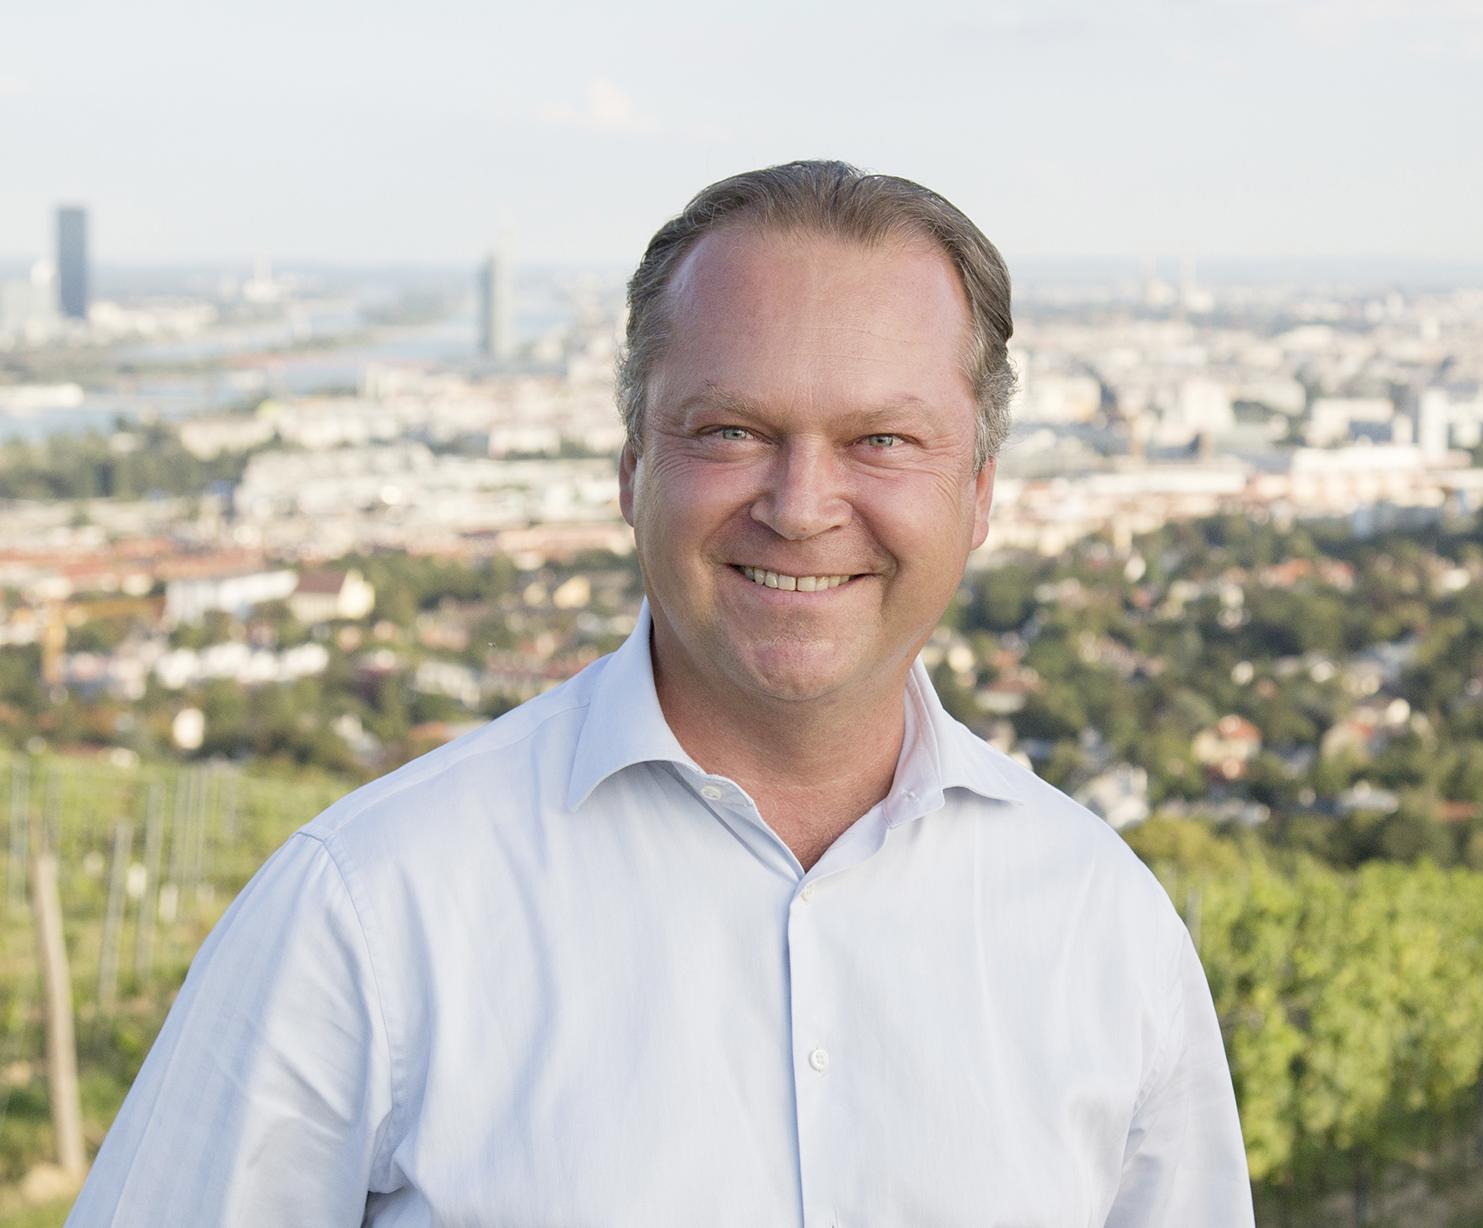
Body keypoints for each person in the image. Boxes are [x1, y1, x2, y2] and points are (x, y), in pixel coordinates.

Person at [69, 161, 1256, 1226]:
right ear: (633, 466)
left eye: (883, 441)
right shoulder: (370, 911)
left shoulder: (1108, 932)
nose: (801, 504)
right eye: (733, 430)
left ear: (982, 491)